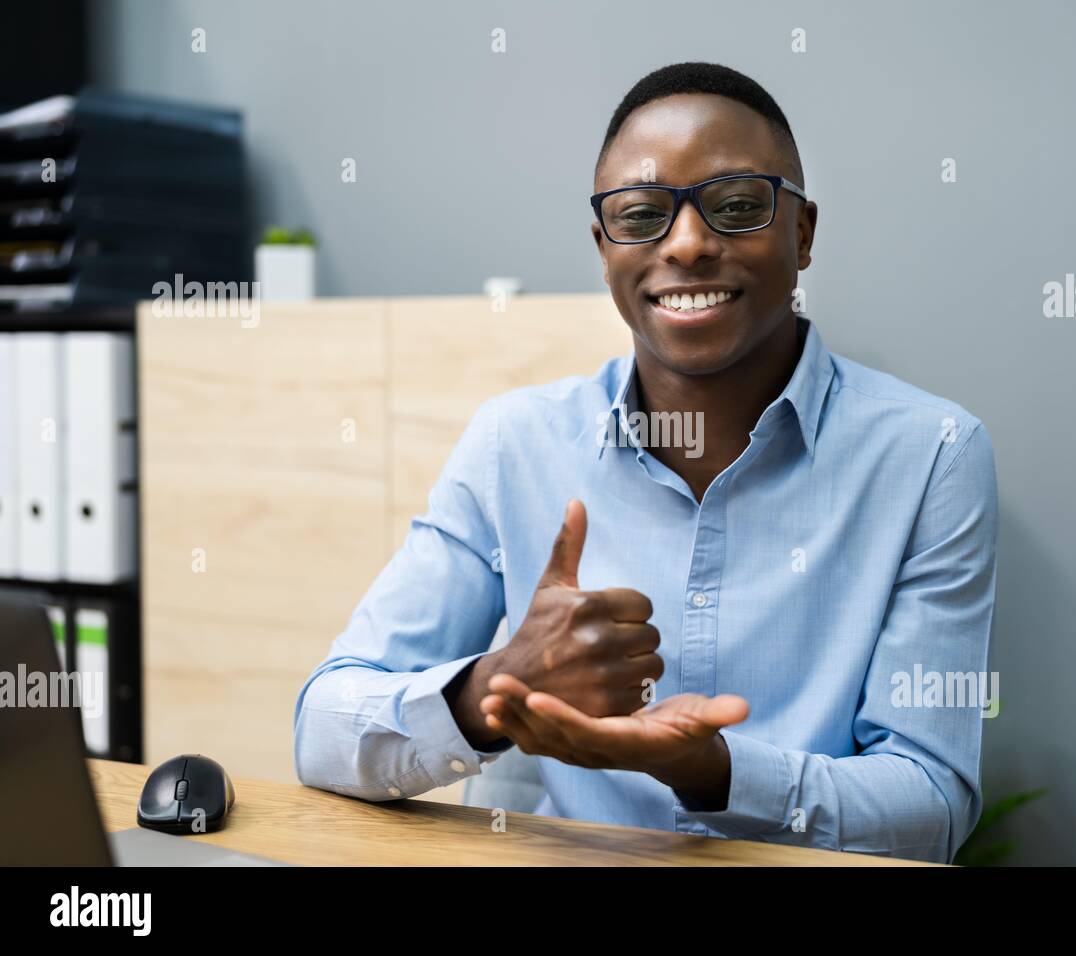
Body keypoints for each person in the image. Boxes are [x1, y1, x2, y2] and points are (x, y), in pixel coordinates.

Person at [293, 61, 998, 863]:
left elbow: (932, 803)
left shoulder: (932, 455)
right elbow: (323, 727)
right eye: (642, 215)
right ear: (605, 250)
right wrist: (497, 684)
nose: (689, 244)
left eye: (737, 207)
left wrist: (715, 771)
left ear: (802, 233)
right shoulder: (514, 444)